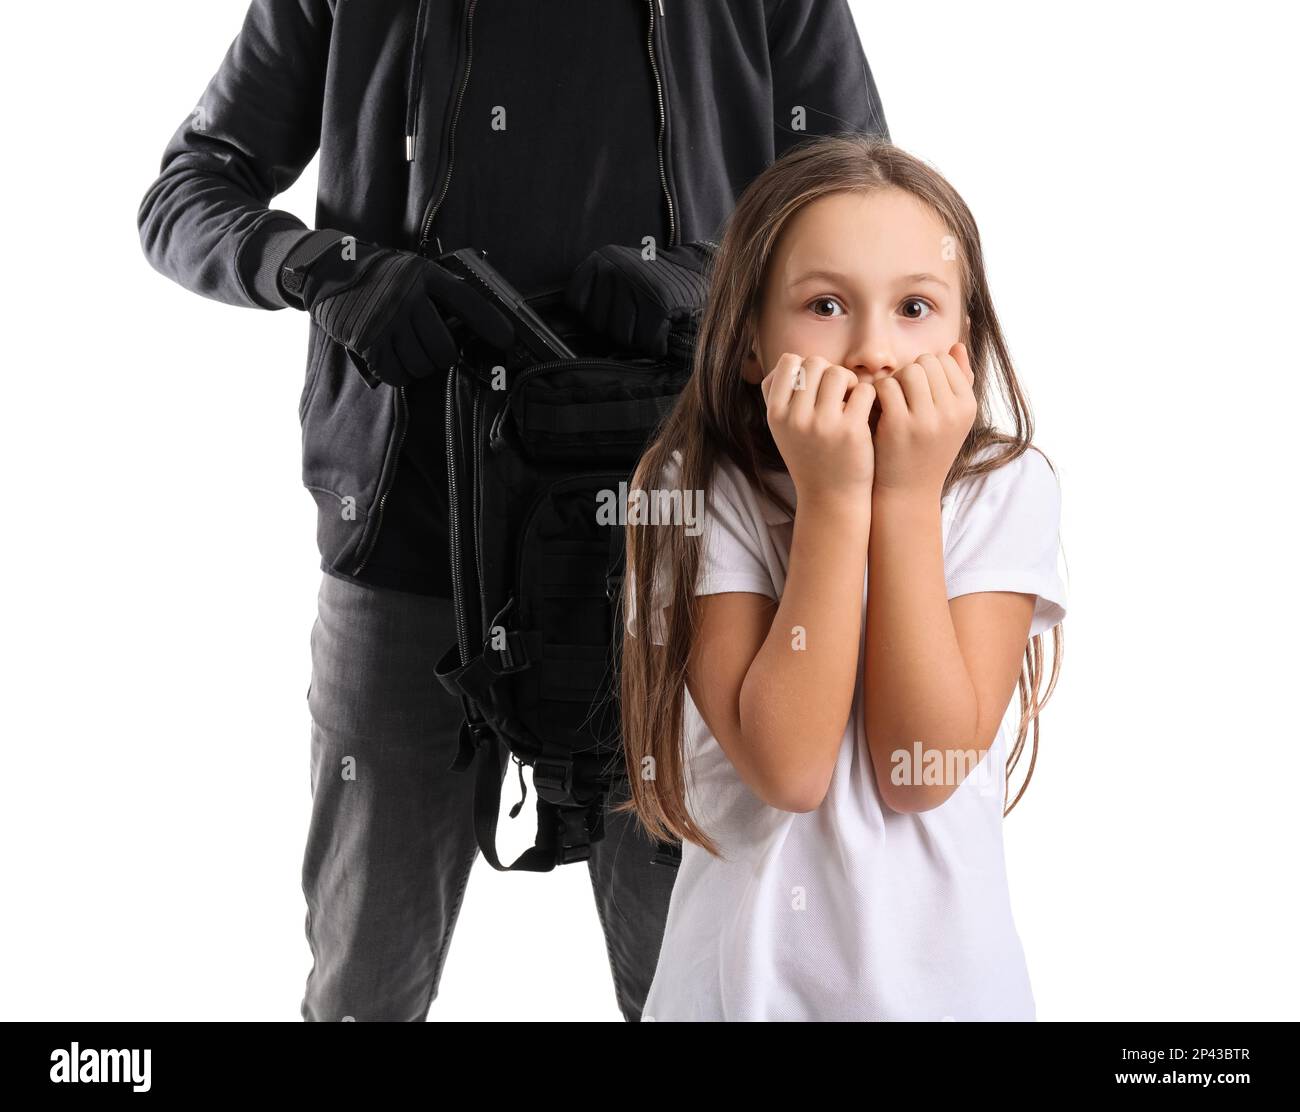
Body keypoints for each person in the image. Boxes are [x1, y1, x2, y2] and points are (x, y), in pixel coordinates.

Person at [136, 1, 889, 1021]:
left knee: (696, 991)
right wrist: (321, 268)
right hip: (405, 537)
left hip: (685, 555)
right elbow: (187, 191)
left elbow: (863, 223)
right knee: (363, 984)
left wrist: (708, 280)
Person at [620, 134, 1068, 1020]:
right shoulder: (695, 488)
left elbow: (917, 767)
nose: (872, 349)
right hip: (741, 998)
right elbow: (789, 768)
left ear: (963, 341)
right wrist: (833, 501)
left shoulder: (1004, 488)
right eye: (825, 305)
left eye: (914, 308)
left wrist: (902, 499)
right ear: (750, 341)